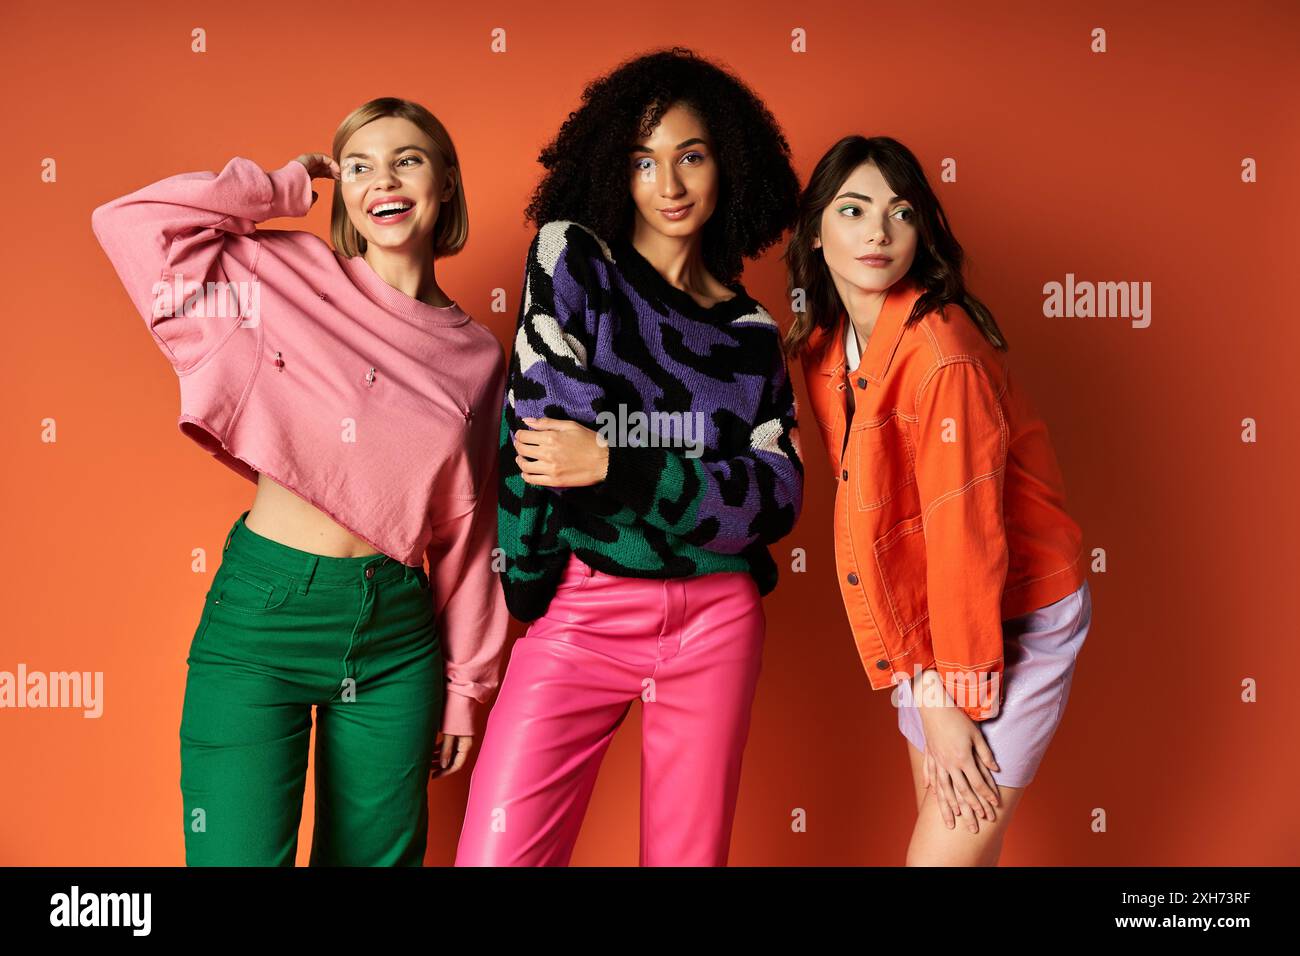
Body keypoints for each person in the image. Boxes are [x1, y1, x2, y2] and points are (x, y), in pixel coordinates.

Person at [90, 97, 509, 865]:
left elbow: (471, 531)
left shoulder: (480, 355)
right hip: (263, 618)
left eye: (407, 159)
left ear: (445, 180)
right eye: (359, 165)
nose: (383, 179)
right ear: (342, 189)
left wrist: (467, 685)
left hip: (397, 638)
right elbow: (128, 223)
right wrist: (279, 188)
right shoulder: (284, 276)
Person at [454, 48, 803, 866]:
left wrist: (619, 463)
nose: (670, 185)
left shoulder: (753, 335)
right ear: (617, 168)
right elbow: (546, 435)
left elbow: (776, 498)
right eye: (645, 162)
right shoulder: (574, 259)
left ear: (729, 165)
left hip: (717, 621)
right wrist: (540, 578)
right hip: (583, 608)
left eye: (691, 156)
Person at [785, 135, 1091, 866]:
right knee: (959, 848)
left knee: (940, 855)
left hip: (1013, 615)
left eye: (900, 213)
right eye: (853, 210)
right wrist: (920, 675)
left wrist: (945, 695)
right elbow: (878, 518)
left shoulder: (943, 357)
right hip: (930, 628)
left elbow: (962, 538)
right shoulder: (827, 348)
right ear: (816, 230)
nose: (877, 233)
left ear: (922, 232)